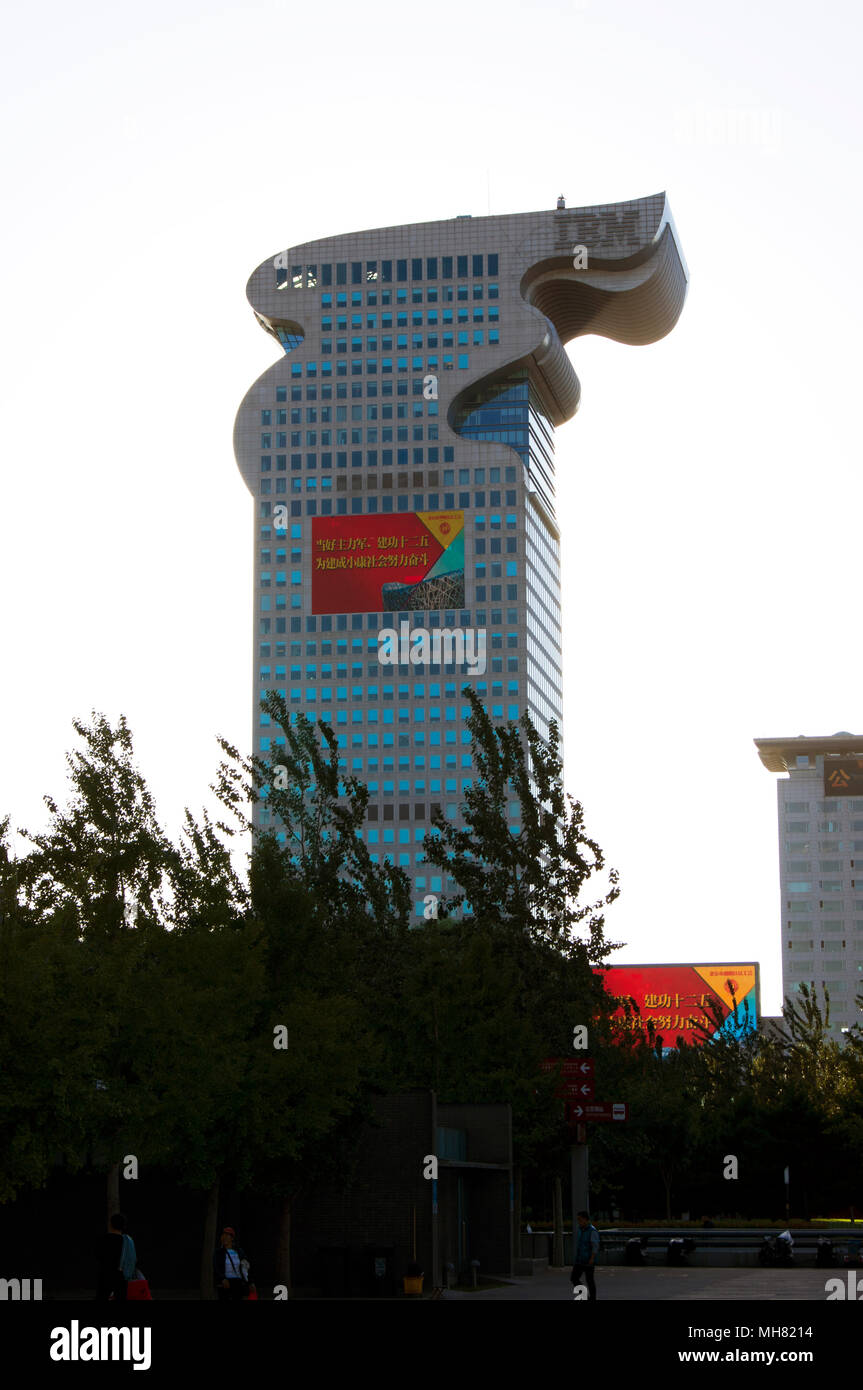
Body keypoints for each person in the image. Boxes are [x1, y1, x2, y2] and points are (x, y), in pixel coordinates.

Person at [96, 1213, 136, 1302]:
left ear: (110, 1224)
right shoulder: (127, 1241)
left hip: (105, 1275)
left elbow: (98, 1256)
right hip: (121, 1276)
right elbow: (132, 1259)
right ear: (124, 1226)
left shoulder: (103, 1239)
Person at [213, 1226, 252, 1301]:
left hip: (238, 1282)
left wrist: (250, 1281)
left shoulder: (239, 1251)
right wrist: (223, 1278)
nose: (224, 1237)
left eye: (227, 1235)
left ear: (232, 1238)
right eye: (223, 1235)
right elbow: (216, 1267)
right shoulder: (218, 1252)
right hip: (224, 1282)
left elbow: (246, 1266)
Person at [570, 1210, 600, 1300]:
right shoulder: (580, 1230)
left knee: (590, 1281)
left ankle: (593, 1298)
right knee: (574, 1278)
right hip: (579, 1260)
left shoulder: (592, 1231)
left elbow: (595, 1246)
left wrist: (592, 1259)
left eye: (580, 1220)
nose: (579, 1222)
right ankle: (585, 1296)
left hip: (588, 1260)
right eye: (578, 1220)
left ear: (586, 1220)